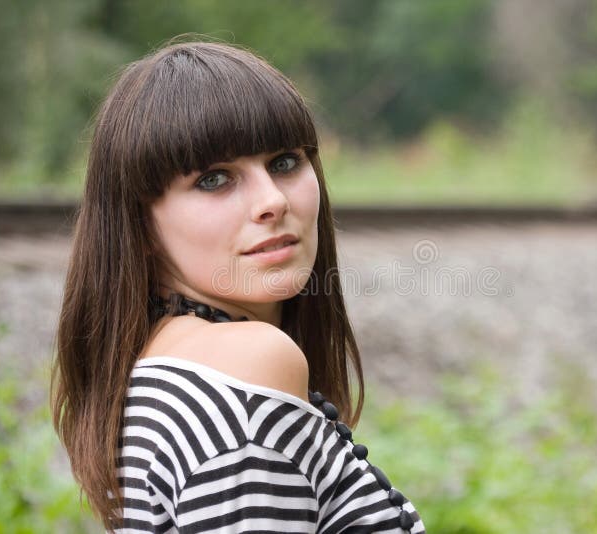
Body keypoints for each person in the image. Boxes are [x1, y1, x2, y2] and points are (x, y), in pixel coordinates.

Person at [51, 40, 425, 533]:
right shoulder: (249, 368)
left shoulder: (152, 369)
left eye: (284, 163)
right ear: (139, 225)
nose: (273, 201)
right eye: (214, 179)